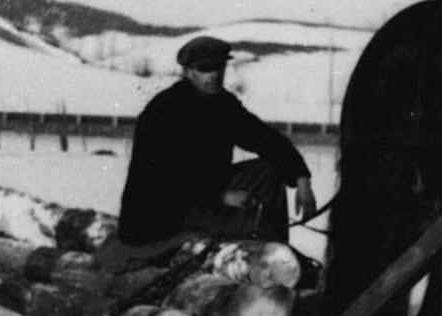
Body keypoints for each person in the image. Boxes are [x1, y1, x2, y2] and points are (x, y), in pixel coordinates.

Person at [113, 35, 317, 252]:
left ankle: (280, 256)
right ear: (188, 71)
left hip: (204, 194)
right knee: (247, 227)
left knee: (269, 170)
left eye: (219, 68)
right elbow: (162, 178)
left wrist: (301, 177)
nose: (214, 75)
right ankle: (266, 258)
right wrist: (220, 197)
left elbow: (265, 139)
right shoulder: (164, 110)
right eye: (205, 69)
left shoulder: (223, 104)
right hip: (160, 211)